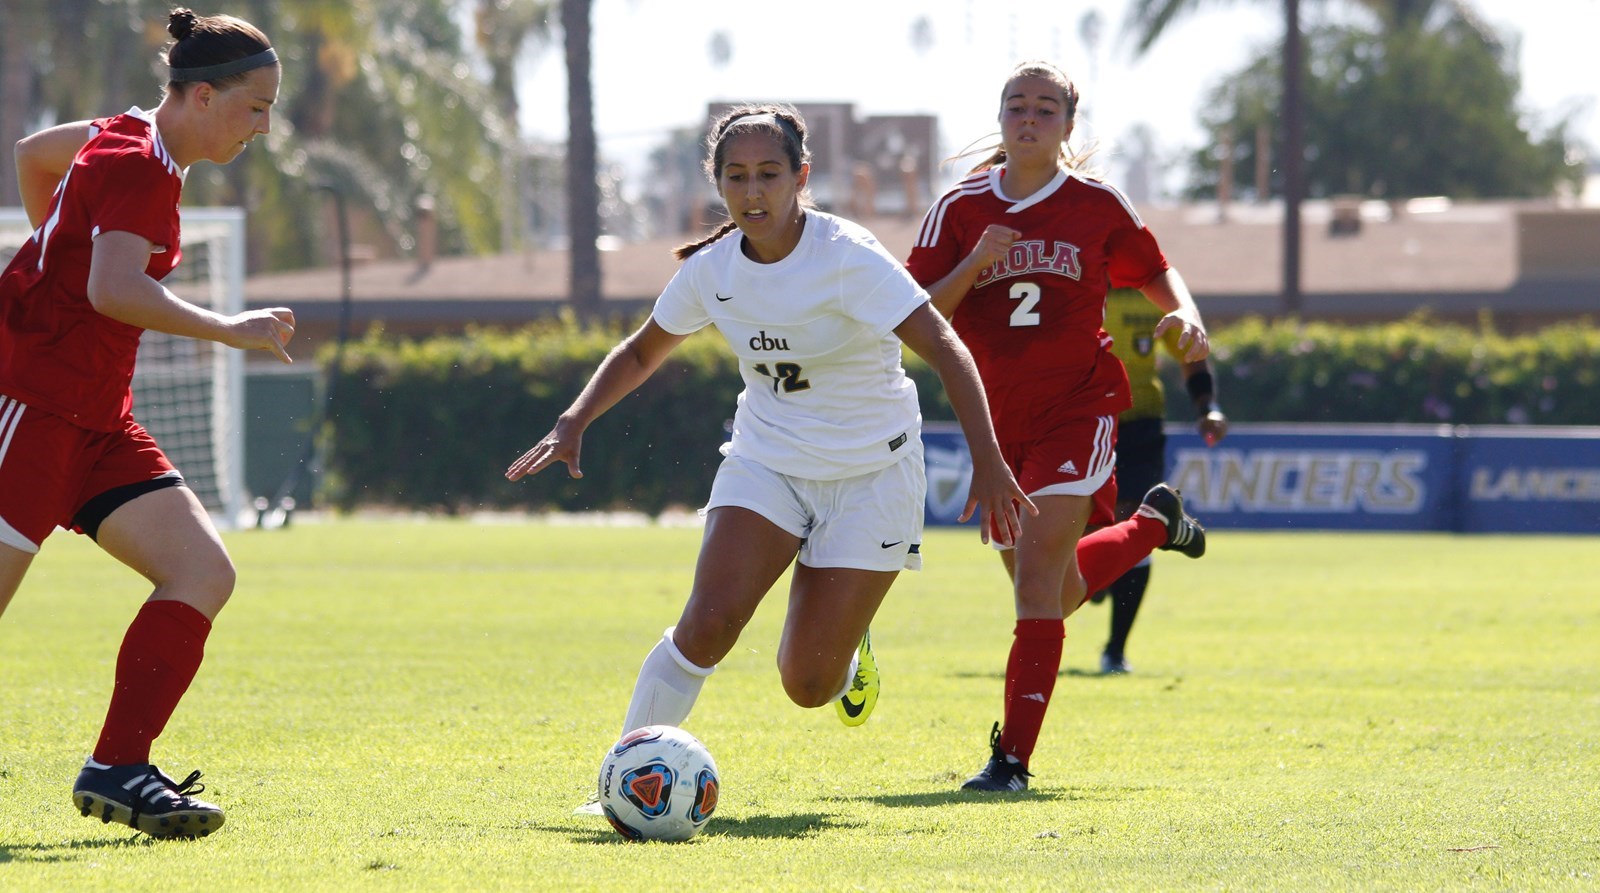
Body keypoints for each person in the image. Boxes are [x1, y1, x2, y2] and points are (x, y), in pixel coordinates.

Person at [504, 104, 1033, 812]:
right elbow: (639, 352)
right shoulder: (713, 270)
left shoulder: (848, 255)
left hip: (872, 474)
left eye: (769, 174)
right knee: (706, 624)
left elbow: (946, 347)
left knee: (808, 684)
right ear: (717, 183)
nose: (752, 191)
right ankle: (621, 785)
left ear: (801, 177)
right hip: (768, 461)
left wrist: (988, 462)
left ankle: (849, 644)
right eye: (736, 176)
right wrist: (574, 420)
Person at [0, 8, 292, 838]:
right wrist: (228, 327)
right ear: (202, 96)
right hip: (31, 406)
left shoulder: (124, 134)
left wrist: (56, 245)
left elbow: (34, 155)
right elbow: (113, 289)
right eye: (256, 108)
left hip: (97, 420)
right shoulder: (140, 164)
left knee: (201, 570)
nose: (263, 127)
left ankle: (118, 768)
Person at [905, 61, 1212, 792]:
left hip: (1079, 406)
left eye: (1047, 108)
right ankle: (1152, 526)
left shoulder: (1096, 203)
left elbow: (1156, 271)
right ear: (1000, 117)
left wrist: (1186, 314)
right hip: (994, 424)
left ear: (1068, 126)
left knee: (1037, 590)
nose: (1030, 118)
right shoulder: (958, 208)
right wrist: (974, 262)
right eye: (1017, 105)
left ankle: (1011, 761)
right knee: (1057, 591)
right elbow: (914, 319)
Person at [1091, 288, 1228, 675]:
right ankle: (1095, 572)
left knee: (1136, 524)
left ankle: (1115, 650)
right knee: (1086, 528)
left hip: (1141, 423)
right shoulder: (1077, 279)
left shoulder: (1152, 292)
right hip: (1084, 420)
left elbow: (1190, 353)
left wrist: (1208, 407)